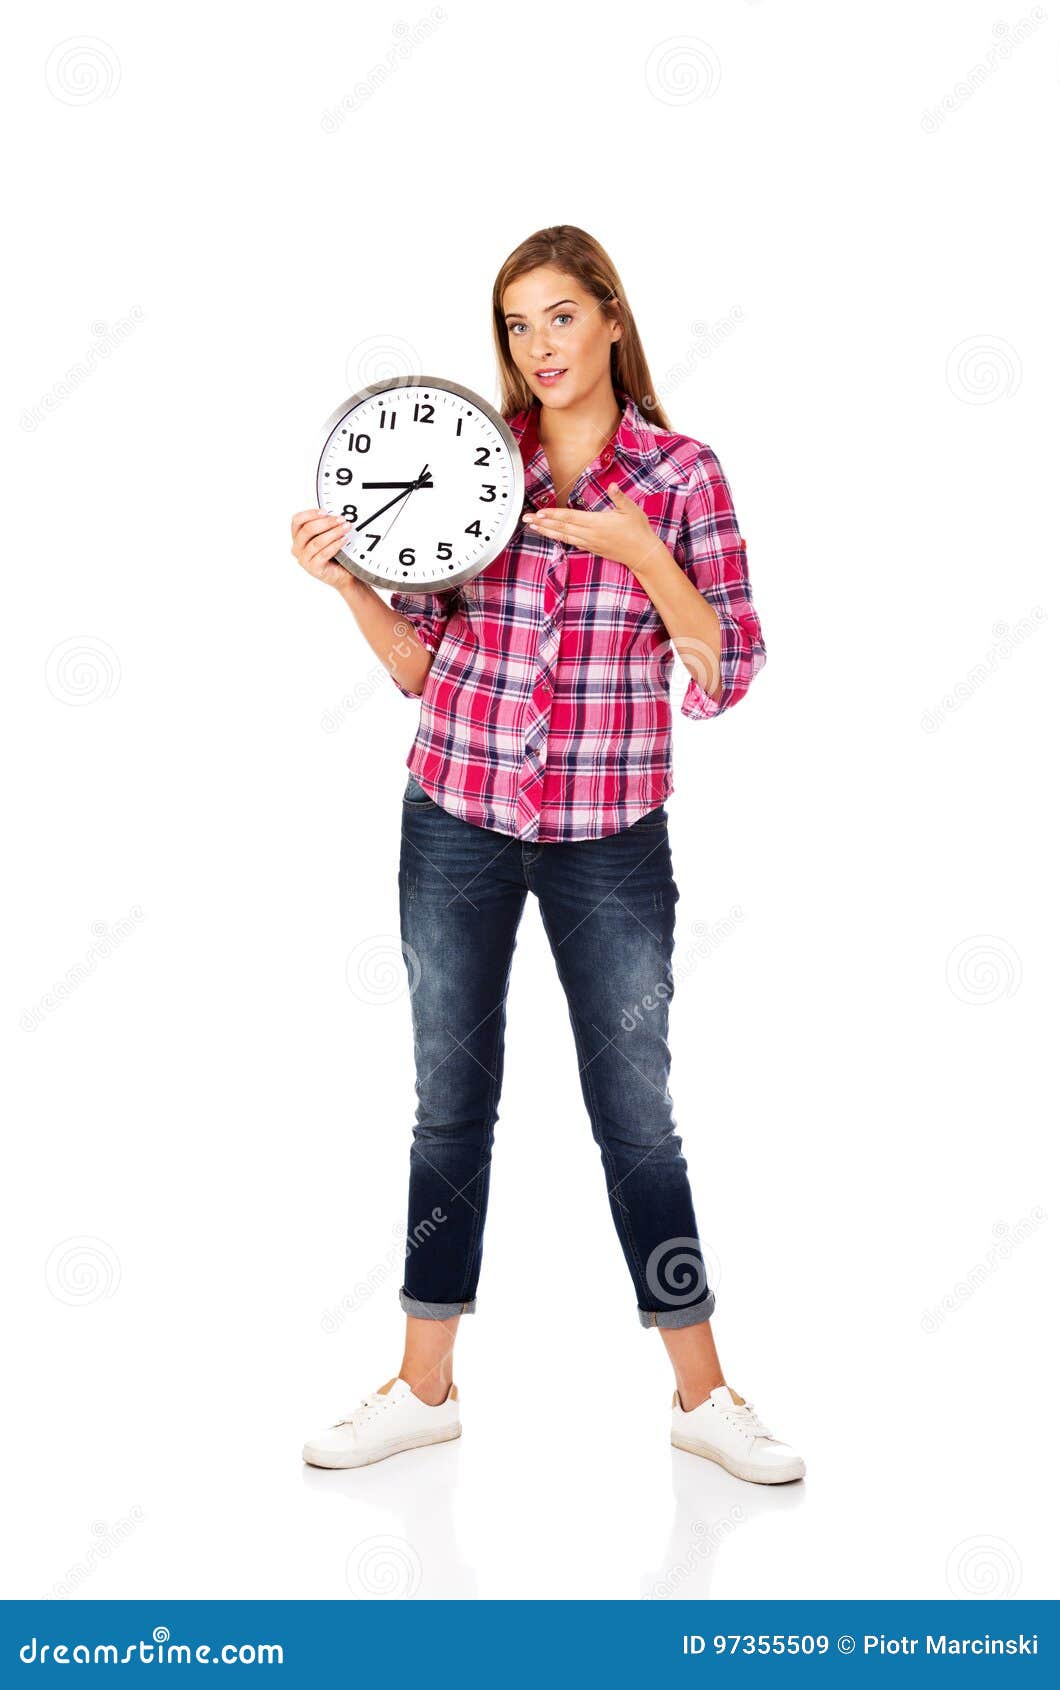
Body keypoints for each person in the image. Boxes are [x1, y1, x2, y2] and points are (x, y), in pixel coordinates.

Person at [292, 226, 805, 1485]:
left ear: (612, 321)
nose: (540, 346)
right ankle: (423, 1385)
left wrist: (640, 555)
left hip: (608, 841)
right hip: (455, 819)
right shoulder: (475, 464)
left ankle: (704, 1394)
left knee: (636, 1112)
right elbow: (422, 666)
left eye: (561, 317)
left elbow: (725, 670)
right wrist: (346, 585)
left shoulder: (680, 477)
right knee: (448, 1109)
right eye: (517, 325)